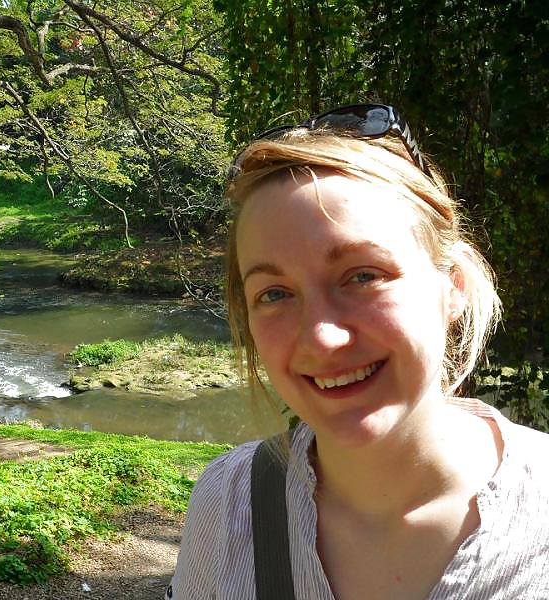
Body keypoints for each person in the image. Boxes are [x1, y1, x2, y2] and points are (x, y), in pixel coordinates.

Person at [167, 104, 549, 599]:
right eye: (275, 294)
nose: (321, 338)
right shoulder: (228, 504)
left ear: (452, 286)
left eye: (363, 276)